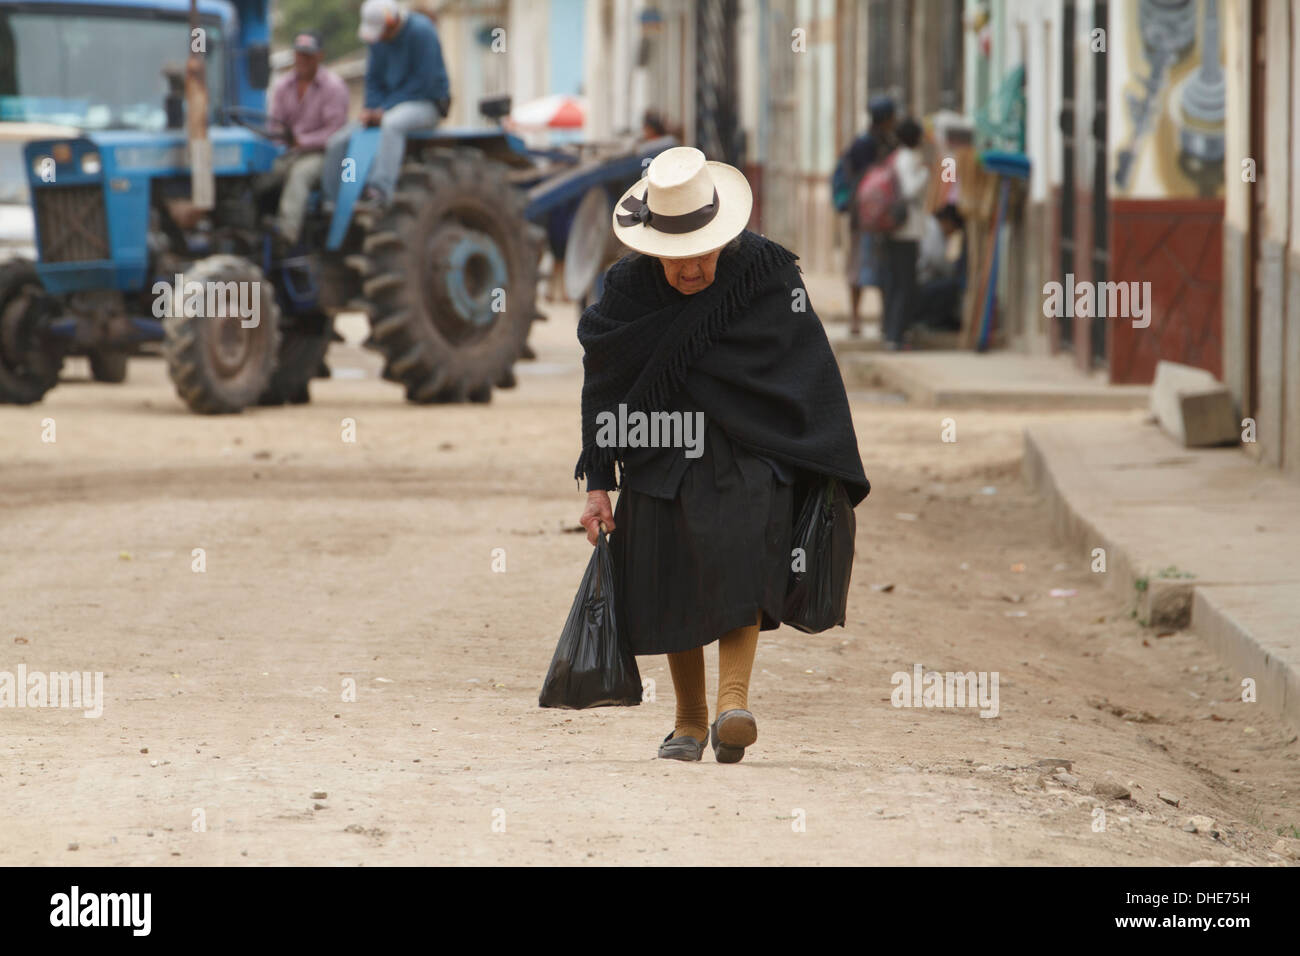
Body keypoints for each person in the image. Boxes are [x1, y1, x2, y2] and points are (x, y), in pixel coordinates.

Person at [574, 147, 870, 763]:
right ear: (653, 248)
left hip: (751, 442)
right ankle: (688, 719)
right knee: (671, 569)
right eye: (677, 259)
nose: (692, 270)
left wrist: (817, 459)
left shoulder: (764, 272)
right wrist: (599, 483)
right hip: (661, 450)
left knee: (742, 552)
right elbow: (602, 383)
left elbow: (806, 363)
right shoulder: (627, 289)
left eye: (704, 252)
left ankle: (734, 703)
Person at [321, 0, 450, 211]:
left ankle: (380, 191)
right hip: (388, 107)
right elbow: (373, 80)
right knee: (338, 141)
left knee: (391, 124)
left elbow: (423, 83)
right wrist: (371, 110)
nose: (379, 38)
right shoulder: (377, 40)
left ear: (392, 23)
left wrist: (384, 110)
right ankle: (333, 201)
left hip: (426, 103)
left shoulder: (422, 31)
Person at [265, 31, 349, 244]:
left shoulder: (334, 87)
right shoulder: (283, 86)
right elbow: (275, 124)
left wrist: (303, 141)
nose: (302, 60)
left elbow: (335, 131)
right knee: (264, 174)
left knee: (300, 174)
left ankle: (286, 234)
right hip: (289, 151)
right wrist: (280, 141)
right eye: (299, 54)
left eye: (308, 56)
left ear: (319, 56)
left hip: (323, 154)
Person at [840, 95, 896, 336]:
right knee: (865, 265)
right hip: (869, 216)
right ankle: (864, 318)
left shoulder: (869, 143)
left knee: (868, 265)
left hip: (869, 216)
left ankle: (868, 319)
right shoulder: (870, 146)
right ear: (886, 119)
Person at [879, 117, 929, 349]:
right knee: (905, 284)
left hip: (894, 229)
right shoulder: (908, 159)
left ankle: (890, 332)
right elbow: (909, 189)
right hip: (906, 231)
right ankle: (897, 336)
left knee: (895, 283)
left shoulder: (895, 157)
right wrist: (925, 175)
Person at [914, 203, 967, 332]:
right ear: (948, 222)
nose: (951, 234)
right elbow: (937, 259)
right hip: (920, 285)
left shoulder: (930, 226)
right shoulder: (933, 229)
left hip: (920, 282)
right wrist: (953, 272)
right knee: (953, 285)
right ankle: (931, 321)